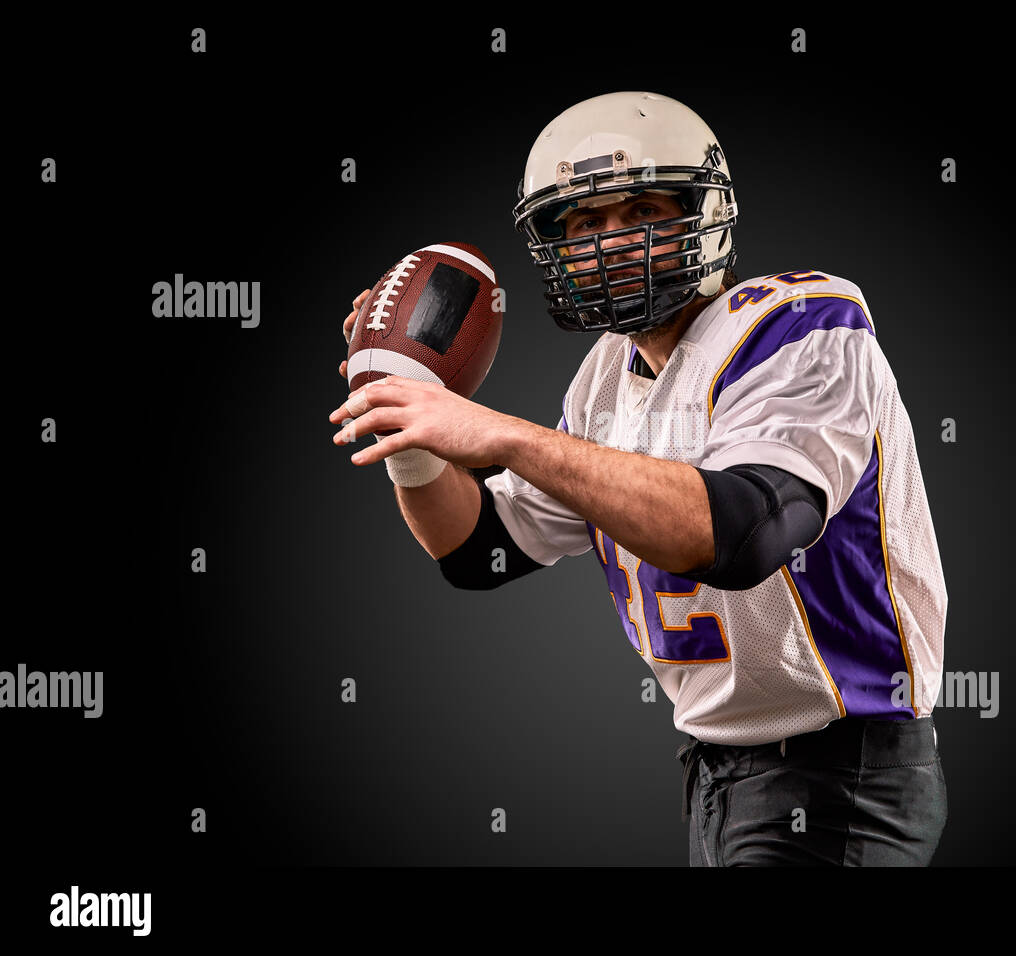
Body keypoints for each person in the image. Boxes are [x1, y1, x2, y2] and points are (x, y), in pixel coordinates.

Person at [330, 91, 949, 866]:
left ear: (705, 212)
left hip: (842, 769)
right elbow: (481, 551)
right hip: (717, 773)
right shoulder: (604, 378)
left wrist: (505, 435)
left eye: (643, 210)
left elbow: (747, 533)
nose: (612, 241)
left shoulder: (801, 323)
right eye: (585, 222)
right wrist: (405, 432)